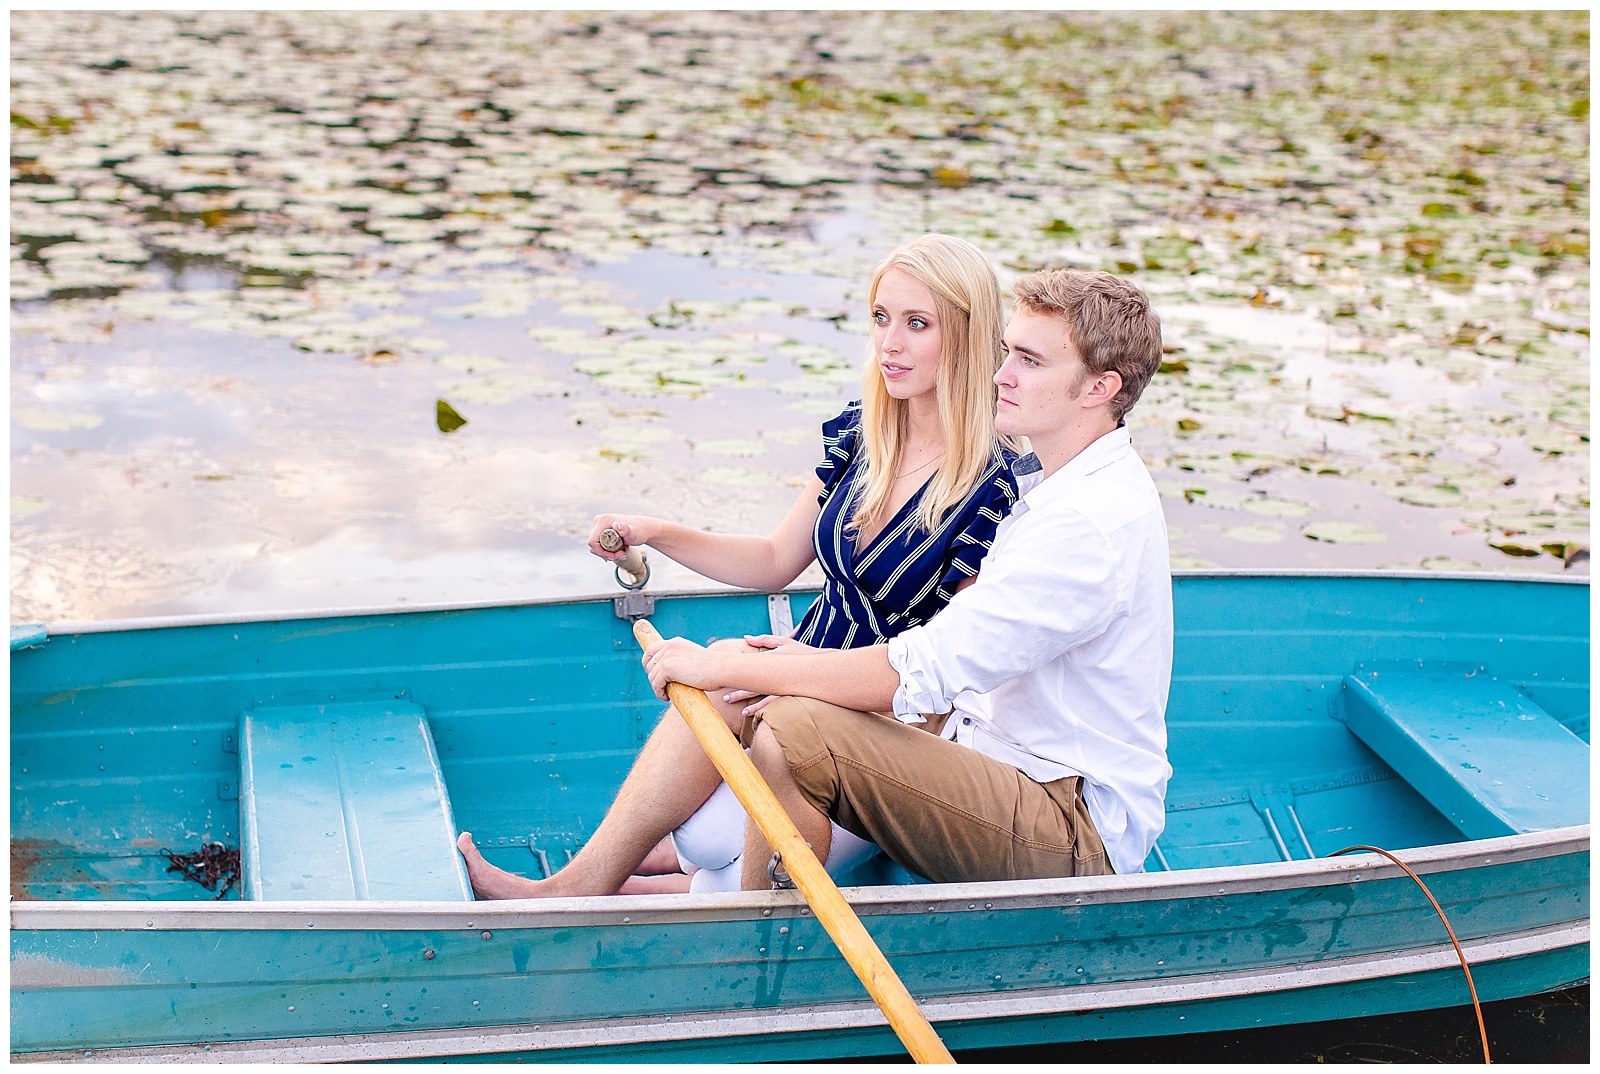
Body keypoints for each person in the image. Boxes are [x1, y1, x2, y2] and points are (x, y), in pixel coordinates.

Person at [456, 233, 1020, 897]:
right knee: (707, 811)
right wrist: (655, 531)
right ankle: (577, 886)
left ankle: (643, 885)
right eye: (880, 318)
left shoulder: (996, 487)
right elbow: (774, 560)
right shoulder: (867, 437)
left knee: (719, 863)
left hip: (885, 729)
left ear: (967, 334)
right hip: (788, 679)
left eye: (916, 324)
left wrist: (800, 677)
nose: (889, 343)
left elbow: (958, 674)